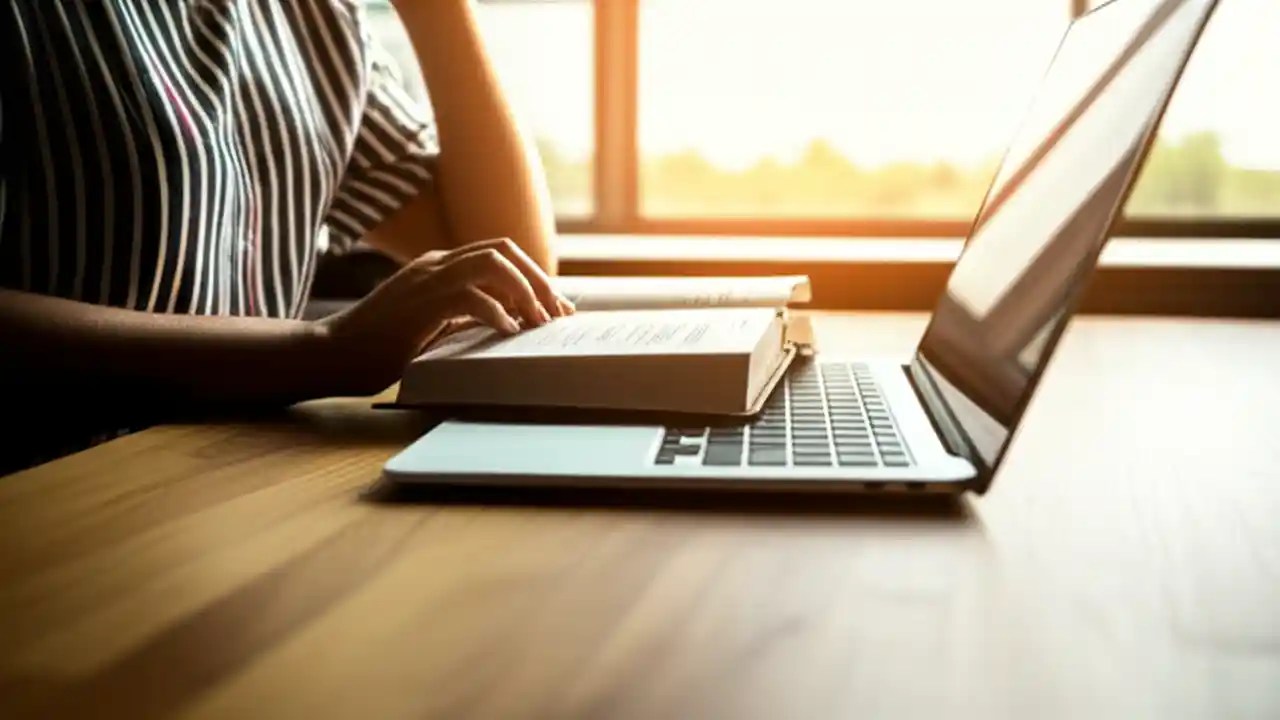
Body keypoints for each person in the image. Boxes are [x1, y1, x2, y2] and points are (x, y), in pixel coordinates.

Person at [0, 0, 574, 473]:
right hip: (51, 500)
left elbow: (507, 271)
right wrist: (322, 351)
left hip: (241, 487)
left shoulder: (313, 19)